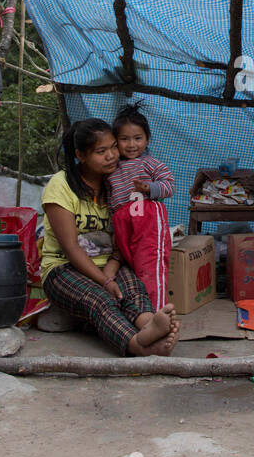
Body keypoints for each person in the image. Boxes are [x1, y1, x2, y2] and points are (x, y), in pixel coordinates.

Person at [39, 119, 178, 356]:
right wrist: (105, 281)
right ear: (81, 155)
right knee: (100, 299)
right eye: (101, 152)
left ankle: (149, 325)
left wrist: (111, 269)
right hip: (63, 268)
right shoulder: (61, 185)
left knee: (134, 288)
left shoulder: (116, 185)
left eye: (114, 147)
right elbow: (71, 249)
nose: (112, 156)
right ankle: (136, 345)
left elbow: (120, 241)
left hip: (107, 264)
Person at [106, 101, 175, 311]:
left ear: (147, 139)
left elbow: (169, 186)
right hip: (121, 223)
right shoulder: (111, 168)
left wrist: (149, 187)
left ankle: (157, 313)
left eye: (138, 138)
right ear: (115, 141)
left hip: (146, 219)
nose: (132, 144)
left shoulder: (150, 163)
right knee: (130, 268)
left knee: (150, 265)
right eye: (124, 139)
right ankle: (138, 311)